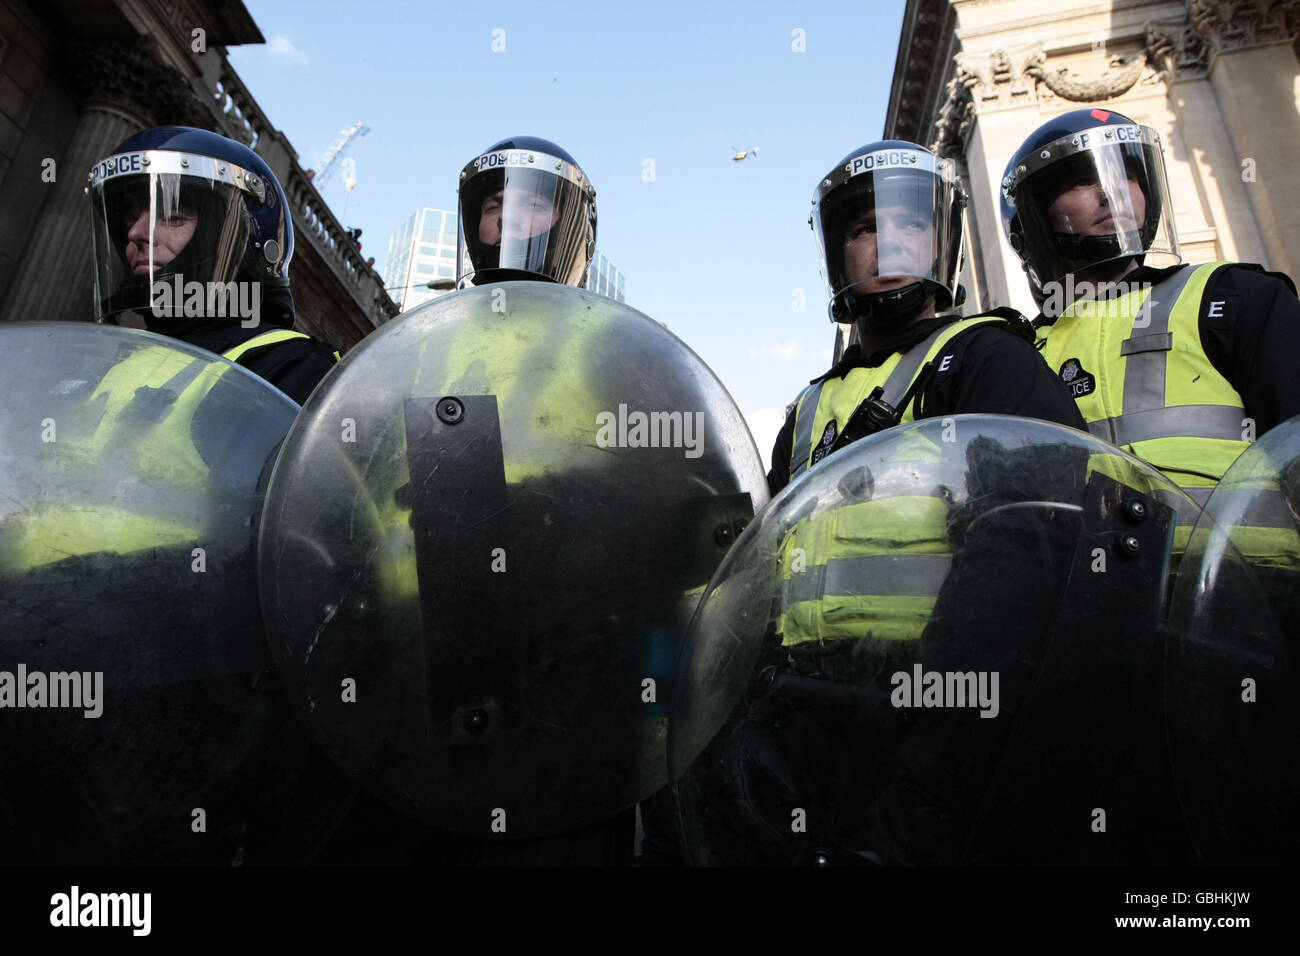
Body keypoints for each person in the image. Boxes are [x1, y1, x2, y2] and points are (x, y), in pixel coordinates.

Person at [999, 107, 1300, 503]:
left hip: (1251, 564)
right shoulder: (1014, 353)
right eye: (1081, 183)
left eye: (1126, 176)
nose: (1111, 192)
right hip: (1089, 564)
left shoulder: (1231, 295)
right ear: (1035, 218)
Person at [769, 140, 1085, 498]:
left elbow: (1042, 515)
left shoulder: (992, 357)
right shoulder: (806, 413)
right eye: (867, 228)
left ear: (943, 246)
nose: (889, 244)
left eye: (910, 224)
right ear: (839, 260)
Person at [89, 126, 338, 405]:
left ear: (239, 240)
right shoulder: (114, 365)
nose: (135, 232)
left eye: (172, 217)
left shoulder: (292, 368)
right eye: (129, 218)